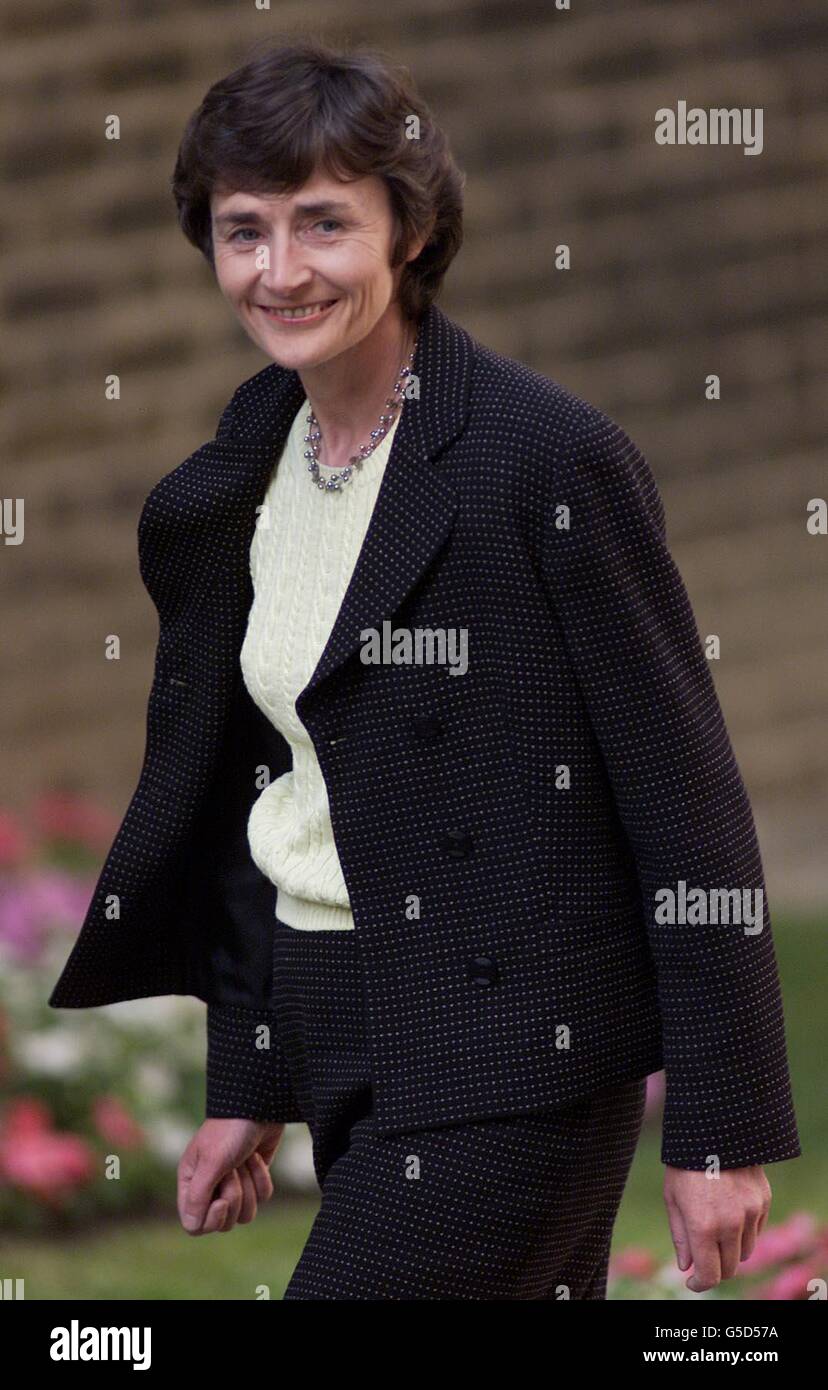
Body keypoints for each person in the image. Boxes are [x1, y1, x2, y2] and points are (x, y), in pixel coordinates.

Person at [49, 37, 801, 1300]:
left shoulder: (543, 461)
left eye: (323, 224)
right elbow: (271, 793)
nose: (279, 271)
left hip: (516, 1051)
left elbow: (689, 804)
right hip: (337, 1021)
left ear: (409, 229)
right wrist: (252, 1075)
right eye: (243, 231)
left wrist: (723, 1122)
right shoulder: (238, 470)